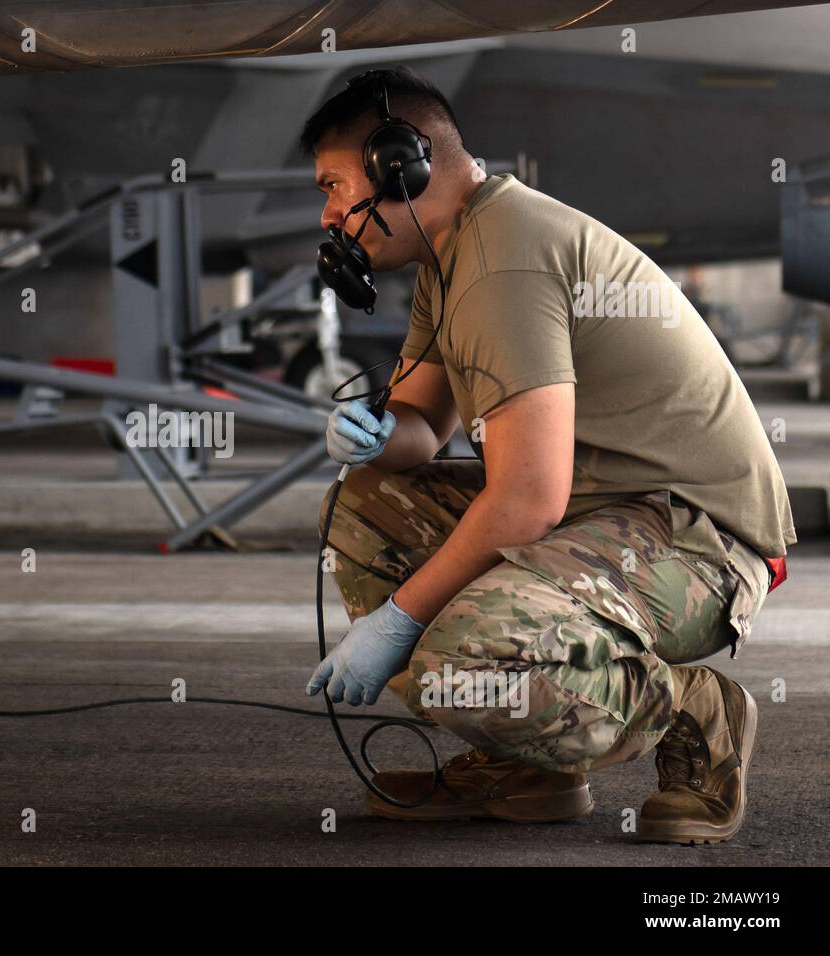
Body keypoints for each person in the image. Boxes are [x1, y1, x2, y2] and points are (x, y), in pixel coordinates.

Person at [303, 67, 794, 845]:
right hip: (602, 518)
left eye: (334, 184)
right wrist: (373, 432)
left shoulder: (507, 254)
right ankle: (529, 765)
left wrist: (399, 620)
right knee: (366, 503)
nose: (329, 213)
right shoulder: (452, 253)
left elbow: (528, 498)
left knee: (461, 662)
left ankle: (692, 710)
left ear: (402, 163)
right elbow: (420, 431)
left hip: (698, 542)